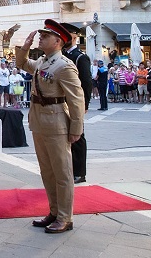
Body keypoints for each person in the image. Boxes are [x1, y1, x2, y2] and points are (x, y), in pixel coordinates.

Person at [16, 20, 85, 234]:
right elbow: (22, 63)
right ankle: (54, 212)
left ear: (58, 41)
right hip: (40, 121)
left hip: (56, 122)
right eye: (41, 35)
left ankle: (65, 217)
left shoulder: (64, 65)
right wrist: (25, 46)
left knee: (62, 172)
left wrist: (76, 128)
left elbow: (76, 99)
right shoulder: (43, 62)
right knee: (47, 171)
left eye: (45, 36)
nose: (40, 38)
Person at [61, 22, 91, 184]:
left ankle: (80, 172)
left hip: (74, 103)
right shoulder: (63, 55)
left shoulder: (80, 57)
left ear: (74, 37)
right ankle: (68, 168)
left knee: (77, 136)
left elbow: (86, 82)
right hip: (62, 102)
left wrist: (84, 104)